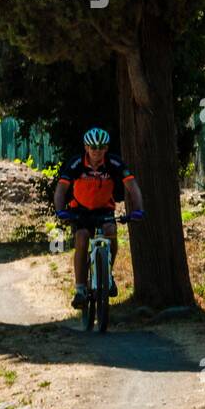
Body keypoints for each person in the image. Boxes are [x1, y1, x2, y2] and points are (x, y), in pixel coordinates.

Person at [53, 127, 144, 308]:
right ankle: (80, 289)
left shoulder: (114, 163)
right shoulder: (76, 163)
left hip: (104, 208)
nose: (97, 151)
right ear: (86, 148)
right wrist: (60, 210)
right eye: (93, 147)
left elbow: (132, 186)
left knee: (111, 231)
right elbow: (61, 190)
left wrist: (138, 209)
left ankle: (107, 274)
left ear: (106, 148)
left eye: (101, 147)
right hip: (80, 210)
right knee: (81, 238)